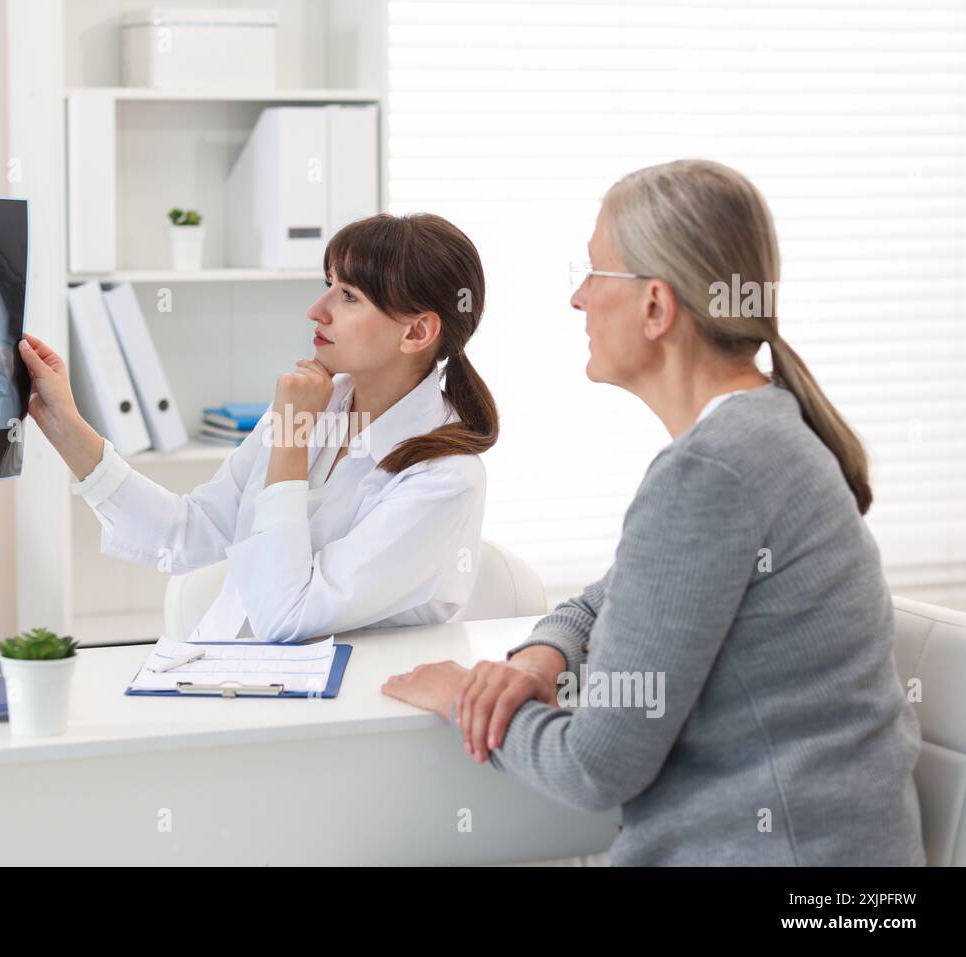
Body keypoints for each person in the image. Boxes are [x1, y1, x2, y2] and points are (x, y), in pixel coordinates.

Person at [383, 160, 925, 866]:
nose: (578, 297)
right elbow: (610, 598)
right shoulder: (762, 433)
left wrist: (461, 693)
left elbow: (594, 766)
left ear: (656, 307)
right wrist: (544, 653)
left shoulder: (713, 472)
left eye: (595, 272)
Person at [19, 213, 498, 643]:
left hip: (340, 717)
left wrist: (290, 442)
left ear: (416, 332)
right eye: (329, 283)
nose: (317, 309)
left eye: (349, 296)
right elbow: (191, 532)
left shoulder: (444, 480)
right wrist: (64, 424)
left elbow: (285, 617)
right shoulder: (315, 407)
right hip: (229, 678)